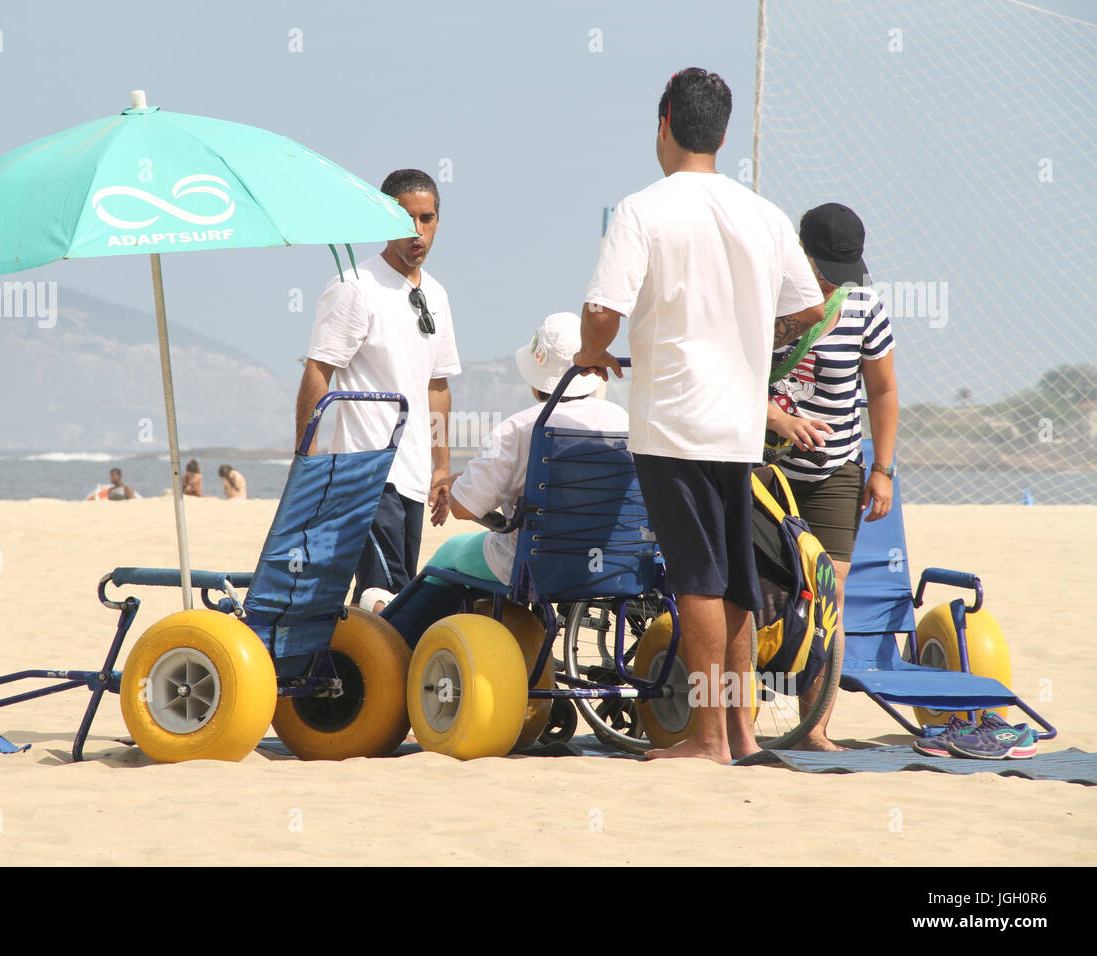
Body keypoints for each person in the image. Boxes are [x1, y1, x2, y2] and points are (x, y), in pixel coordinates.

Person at [575, 67, 827, 764]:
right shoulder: (764, 213)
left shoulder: (643, 210)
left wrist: (594, 352)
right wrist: (753, 339)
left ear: (664, 126)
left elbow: (603, 312)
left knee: (697, 580)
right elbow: (809, 309)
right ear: (719, 134)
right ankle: (741, 732)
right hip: (739, 425)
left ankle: (710, 737)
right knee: (738, 582)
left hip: (675, 421)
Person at [363, 313, 627, 615]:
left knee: (449, 553)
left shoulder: (520, 429)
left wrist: (454, 486)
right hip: (612, 560)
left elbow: (464, 509)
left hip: (535, 564)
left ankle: (399, 626)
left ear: (534, 377)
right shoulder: (623, 421)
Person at [294, 168, 461, 608]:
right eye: (406, 219)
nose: (417, 231)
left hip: (411, 474)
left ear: (438, 220)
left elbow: (437, 386)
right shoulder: (355, 287)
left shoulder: (438, 296)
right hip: (366, 470)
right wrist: (304, 459)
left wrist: (440, 469)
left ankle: (339, 674)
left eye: (426, 219)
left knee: (380, 594)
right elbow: (318, 372)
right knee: (386, 596)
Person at [765, 202, 897, 751]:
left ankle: (814, 727)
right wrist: (780, 419)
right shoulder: (766, 294)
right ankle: (736, 714)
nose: (833, 283)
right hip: (767, 465)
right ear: (800, 253)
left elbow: (884, 390)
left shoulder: (865, 305)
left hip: (837, 466)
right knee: (761, 587)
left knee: (828, 590)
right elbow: (733, 374)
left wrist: (883, 470)